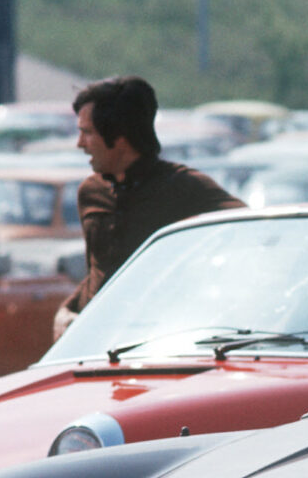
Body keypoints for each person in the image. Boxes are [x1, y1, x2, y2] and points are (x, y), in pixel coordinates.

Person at [53, 75, 240, 338]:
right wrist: (67, 310)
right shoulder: (90, 192)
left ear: (119, 137)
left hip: (157, 341)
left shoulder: (184, 188)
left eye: (87, 133)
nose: (79, 144)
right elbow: (98, 271)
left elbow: (251, 229)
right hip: (95, 343)